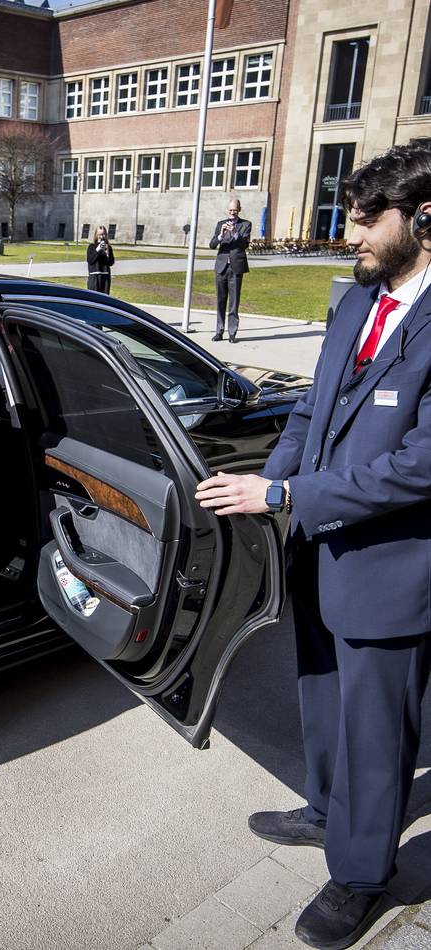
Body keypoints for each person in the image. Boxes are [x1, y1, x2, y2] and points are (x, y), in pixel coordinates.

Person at [194, 143, 431, 950]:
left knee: (377, 728)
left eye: (366, 219)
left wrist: (287, 495)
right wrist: (265, 491)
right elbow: (308, 412)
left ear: (423, 219)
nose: (350, 233)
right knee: (323, 696)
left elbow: (420, 467)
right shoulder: (357, 299)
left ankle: (362, 874)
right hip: (318, 547)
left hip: (392, 566)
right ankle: (329, 809)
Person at [208, 198, 251, 342]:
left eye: (235, 210)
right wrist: (221, 235)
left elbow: (244, 245)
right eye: (230, 210)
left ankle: (232, 333)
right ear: (227, 210)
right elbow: (212, 245)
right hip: (221, 267)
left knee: (233, 302)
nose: (232, 213)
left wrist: (235, 233)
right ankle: (219, 331)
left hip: (236, 267)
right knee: (220, 301)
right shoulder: (220, 224)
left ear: (239, 210)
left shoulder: (246, 224)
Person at [86, 226, 115, 294]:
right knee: (93, 297)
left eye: (103, 234)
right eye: (99, 234)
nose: (101, 237)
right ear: (96, 235)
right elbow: (90, 261)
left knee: (104, 298)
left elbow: (111, 263)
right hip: (94, 276)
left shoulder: (108, 247)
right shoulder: (91, 246)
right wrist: (97, 250)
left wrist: (107, 254)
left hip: (105, 276)